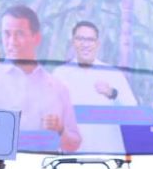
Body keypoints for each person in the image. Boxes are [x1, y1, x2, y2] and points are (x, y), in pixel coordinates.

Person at [0, 4, 82, 153]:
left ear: (36, 38)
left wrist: (61, 130)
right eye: (7, 34)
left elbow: (74, 145)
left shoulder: (58, 87)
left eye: (19, 34)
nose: (12, 41)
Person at [52, 20, 137, 154]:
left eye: (90, 39)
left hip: (108, 157)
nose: (85, 44)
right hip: (70, 158)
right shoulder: (60, 74)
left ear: (97, 44)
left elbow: (133, 111)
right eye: (80, 39)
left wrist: (112, 93)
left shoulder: (113, 73)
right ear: (73, 42)